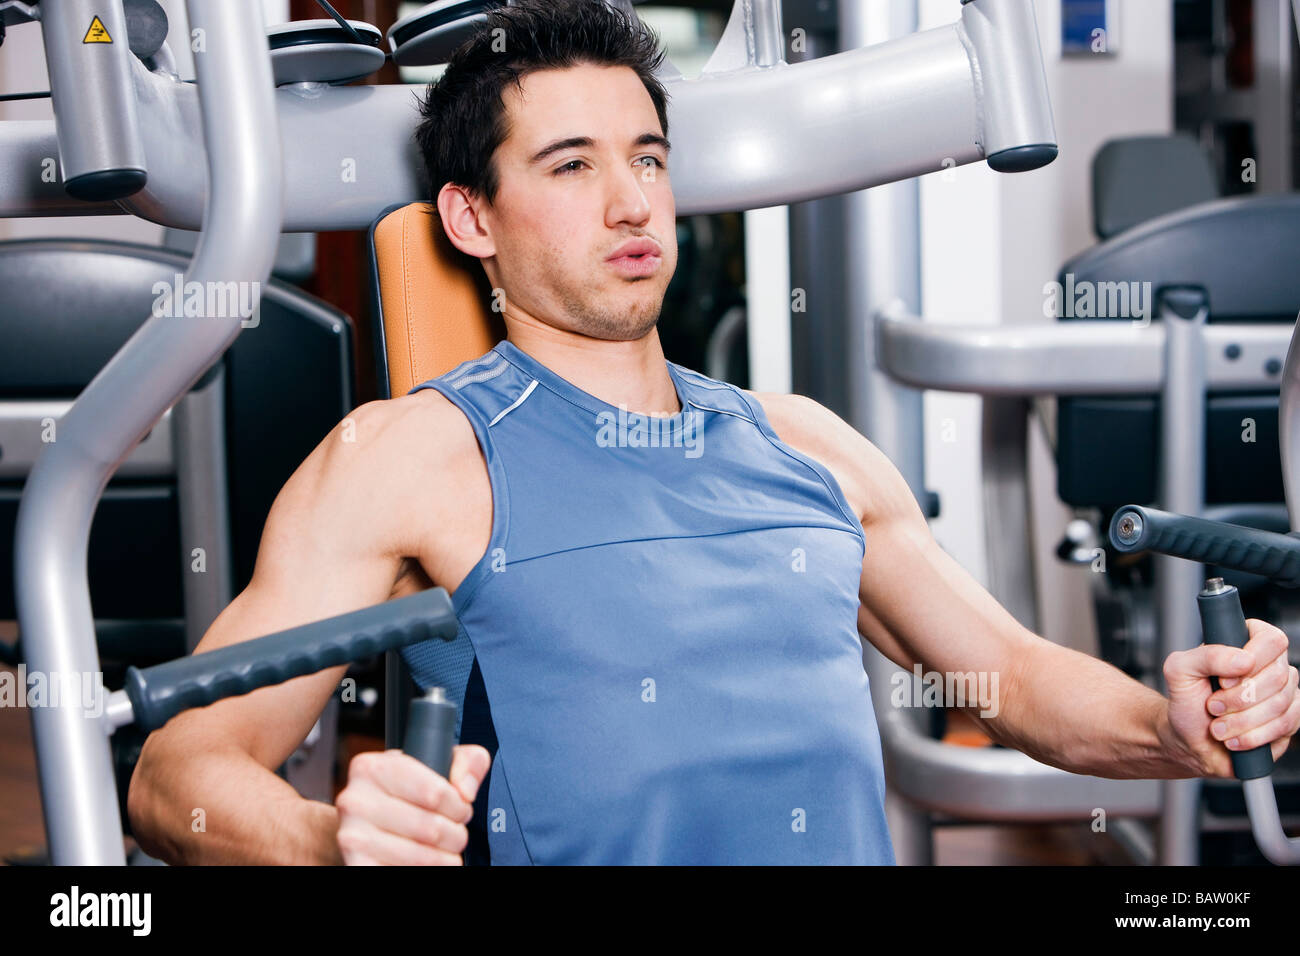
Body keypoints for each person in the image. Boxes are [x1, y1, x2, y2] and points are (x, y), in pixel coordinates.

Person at [128, 0, 1300, 865]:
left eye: (646, 158)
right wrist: (330, 839)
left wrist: (1169, 722)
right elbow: (174, 772)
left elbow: (1018, 681)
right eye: (572, 165)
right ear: (469, 217)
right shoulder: (409, 458)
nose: (634, 202)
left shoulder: (805, 444)